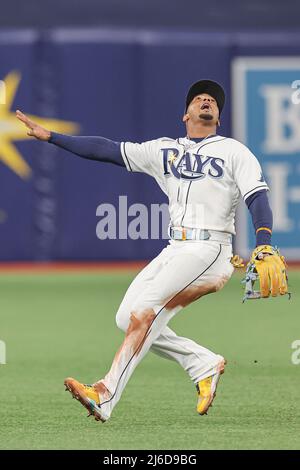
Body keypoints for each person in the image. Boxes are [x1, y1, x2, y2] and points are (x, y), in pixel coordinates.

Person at [16, 79, 279, 423]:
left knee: (145, 312)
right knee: (126, 318)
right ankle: (202, 363)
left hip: (211, 249)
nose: (206, 100)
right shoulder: (164, 150)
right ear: (185, 114)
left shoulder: (234, 151)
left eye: (212, 100)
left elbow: (257, 196)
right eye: (198, 98)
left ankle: (105, 394)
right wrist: (52, 136)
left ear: (218, 116)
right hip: (177, 247)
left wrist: (263, 241)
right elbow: (107, 149)